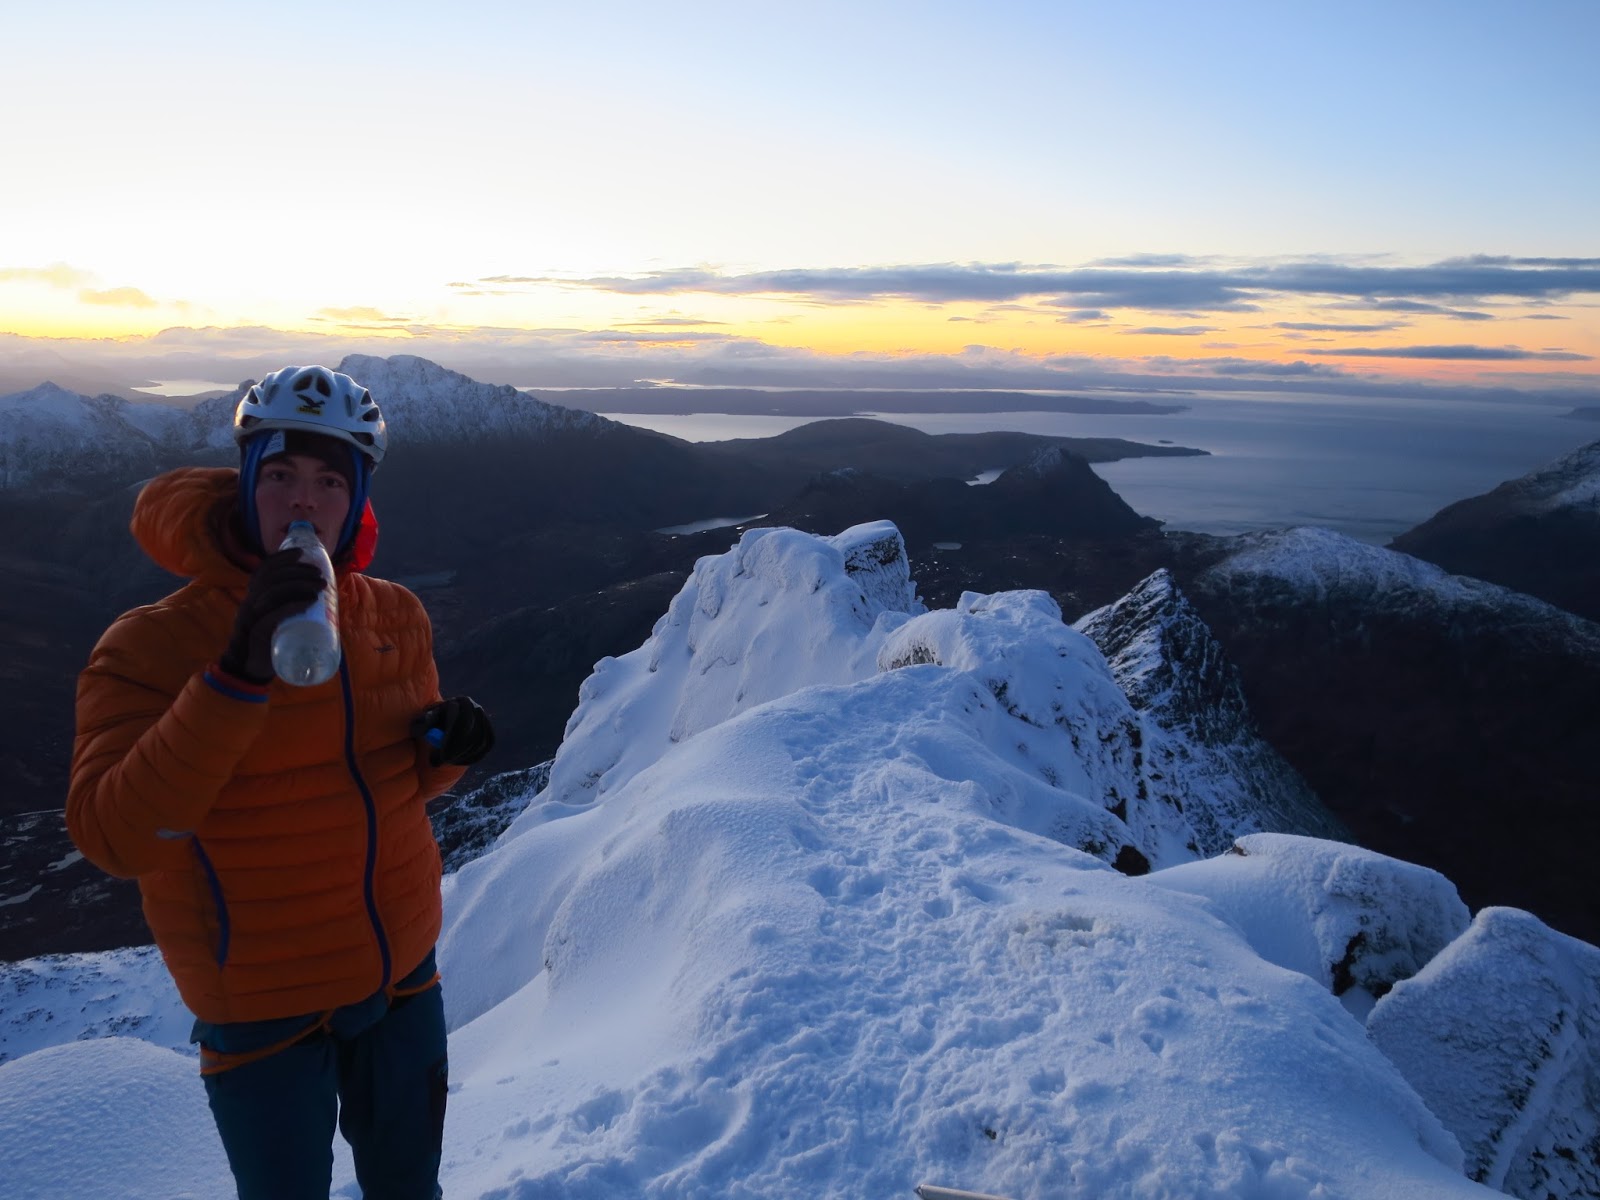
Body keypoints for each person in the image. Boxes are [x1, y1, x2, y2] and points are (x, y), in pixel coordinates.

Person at [68, 364, 494, 1200]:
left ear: (357, 496)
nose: (305, 502)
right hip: (264, 1005)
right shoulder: (148, 645)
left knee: (409, 1189)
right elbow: (114, 837)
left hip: (402, 976)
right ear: (244, 483)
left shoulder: (394, 615)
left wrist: (448, 749)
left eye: (331, 480)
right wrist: (232, 677)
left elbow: (394, 788)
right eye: (282, 475)